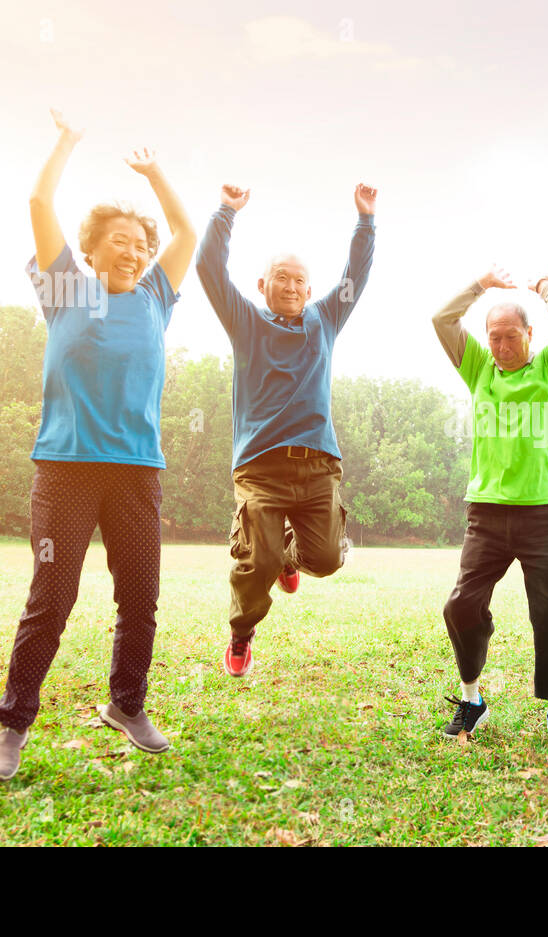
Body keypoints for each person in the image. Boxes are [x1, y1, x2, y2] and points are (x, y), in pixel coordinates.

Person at [0, 109, 195, 781]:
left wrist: (154, 173)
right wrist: (67, 139)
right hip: (66, 470)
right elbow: (41, 200)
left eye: (141, 243)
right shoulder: (65, 287)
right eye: (122, 241)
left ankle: (127, 705)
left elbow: (187, 231)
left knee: (141, 598)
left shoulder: (157, 294)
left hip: (135, 472)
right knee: (53, 596)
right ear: (91, 249)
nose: (134, 252)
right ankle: (13, 725)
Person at [196, 183, 376, 677]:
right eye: (281, 278)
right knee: (258, 561)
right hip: (260, 466)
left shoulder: (325, 320)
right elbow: (208, 269)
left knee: (327, 559)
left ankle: (291, 560)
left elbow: (354, 278)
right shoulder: (245, 322)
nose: (292, 287)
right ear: (263, 284)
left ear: (309, 288)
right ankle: (241, 634)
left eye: (299, 280)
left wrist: (365, 221)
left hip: (318, 465)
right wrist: (226, 212)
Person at [432, 266, 548, 741]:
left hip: (543, 515)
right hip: (486, 514)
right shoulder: (479, 369)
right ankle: (472, 699)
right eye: (494, 337)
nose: (501, 346)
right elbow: (441, 319)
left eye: (510, 336)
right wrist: (480, 286)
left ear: (529, 334)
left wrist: (542, 288)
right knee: (461, 606)